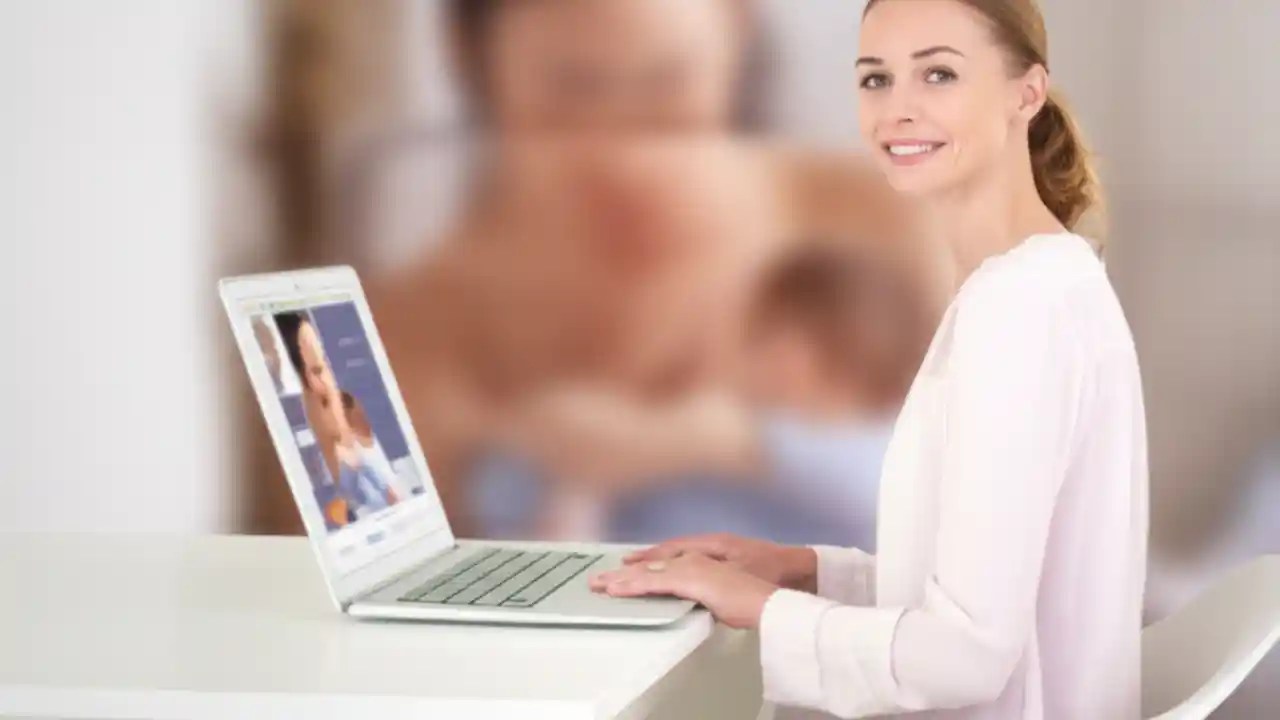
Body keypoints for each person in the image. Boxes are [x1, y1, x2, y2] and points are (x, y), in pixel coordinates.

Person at [590, 1, 1149, 718]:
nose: (898, 109)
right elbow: (990, 586)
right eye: (876, 79)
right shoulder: (1052, 277)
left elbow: (966, 659)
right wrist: (806, 570)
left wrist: (757, 605)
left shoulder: (1019, 311)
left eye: (939, 74)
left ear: (1027, 93)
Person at [370, 0, 939, 537]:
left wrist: (720, 440)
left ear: (736, 32)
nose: (622, 142)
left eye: (668, 83)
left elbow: (982, 503)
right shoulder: (407, 334)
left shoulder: (885, 218)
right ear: (474, 61)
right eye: (572, 90)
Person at [491, 242, 934, 547]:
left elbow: (571, 437)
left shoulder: (880, 454)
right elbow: (517, 467)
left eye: (761, 335)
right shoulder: (734, 454)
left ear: (796, 353)